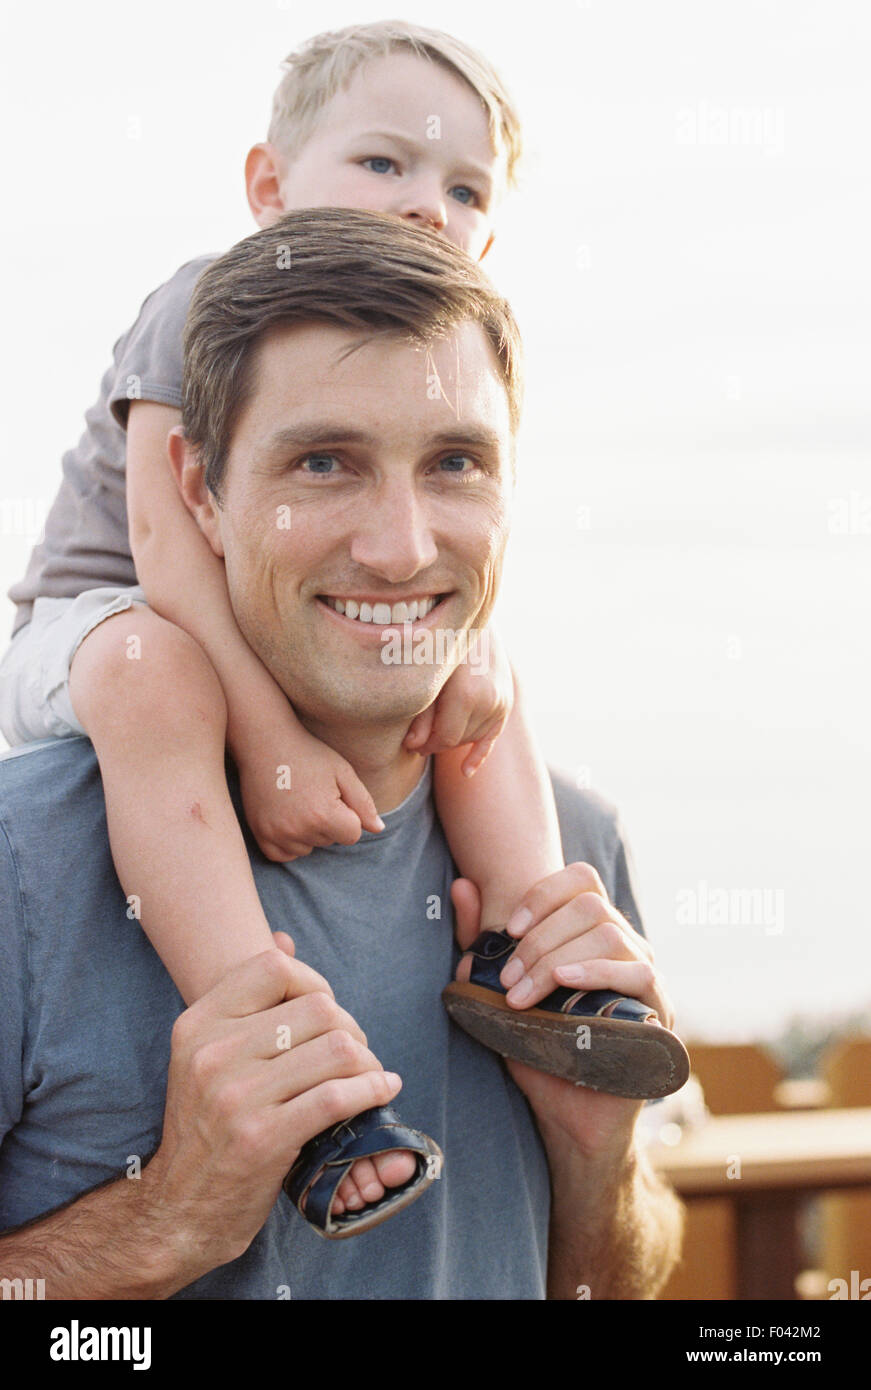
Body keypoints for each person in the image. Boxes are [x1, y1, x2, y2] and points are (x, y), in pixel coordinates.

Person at [0, 208, 684, 1299]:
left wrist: (596, 1156)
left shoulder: (568, 854)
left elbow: (611, 1282)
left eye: (456, 461)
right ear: (198, 492)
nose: (402, 546)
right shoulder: (20, 861)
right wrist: (162, 1222)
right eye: (324, 462)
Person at [0, 20, 572, 1223]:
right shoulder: (210, 298)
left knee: (485, 670)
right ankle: (282, 1048)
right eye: (384, 165)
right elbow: (169, 545)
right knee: (157, 675)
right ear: (269, 185)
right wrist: (267, 741)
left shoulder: (451, 353)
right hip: (104, 621)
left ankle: (540, 965)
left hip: (225, 627)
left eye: (463, 188)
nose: (424, 204)